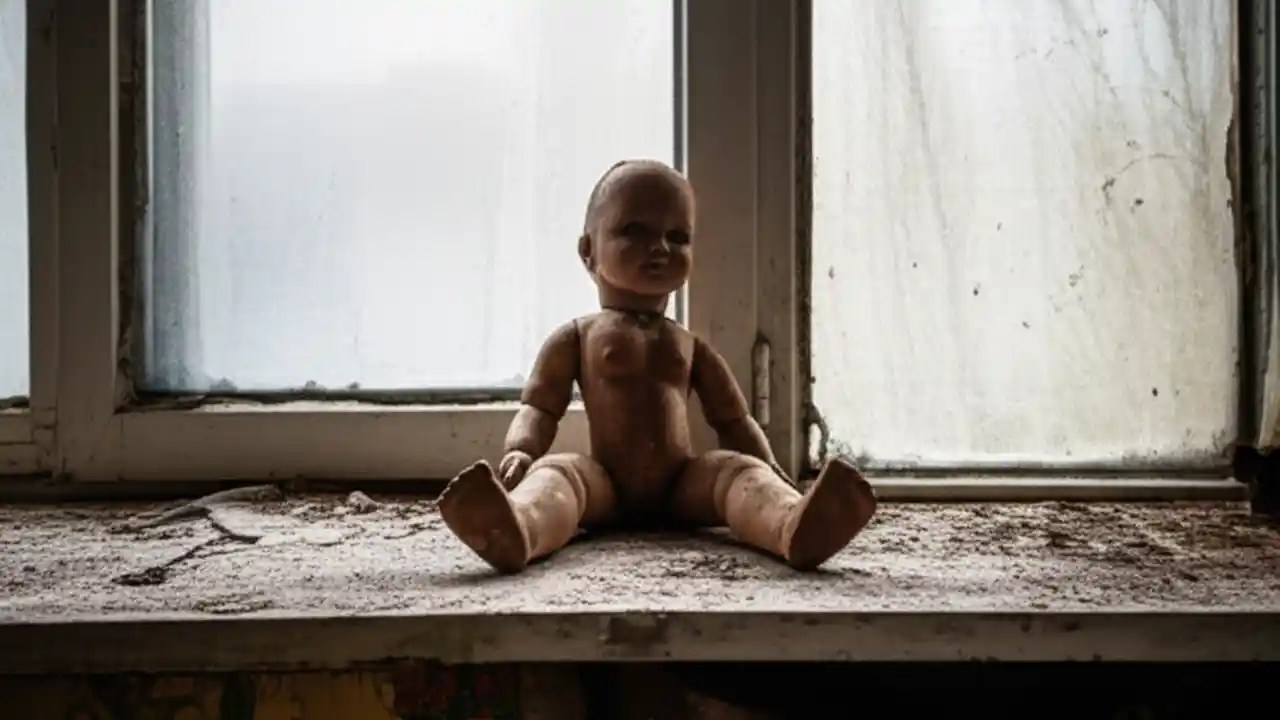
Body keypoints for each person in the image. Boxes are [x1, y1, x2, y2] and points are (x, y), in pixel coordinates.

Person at [438, 159, 876, 573]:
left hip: (681, 484)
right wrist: (522, 450)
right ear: (588, 251)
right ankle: (517, 528)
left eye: (678, 237)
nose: (660, 248)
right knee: (556, 476)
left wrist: (769, 469)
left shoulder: (688, 345)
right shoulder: (577, 336)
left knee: (737, 474)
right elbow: (539, 406)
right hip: (603, 484)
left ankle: (792, 524)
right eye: (635, 231)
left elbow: (733, 418)